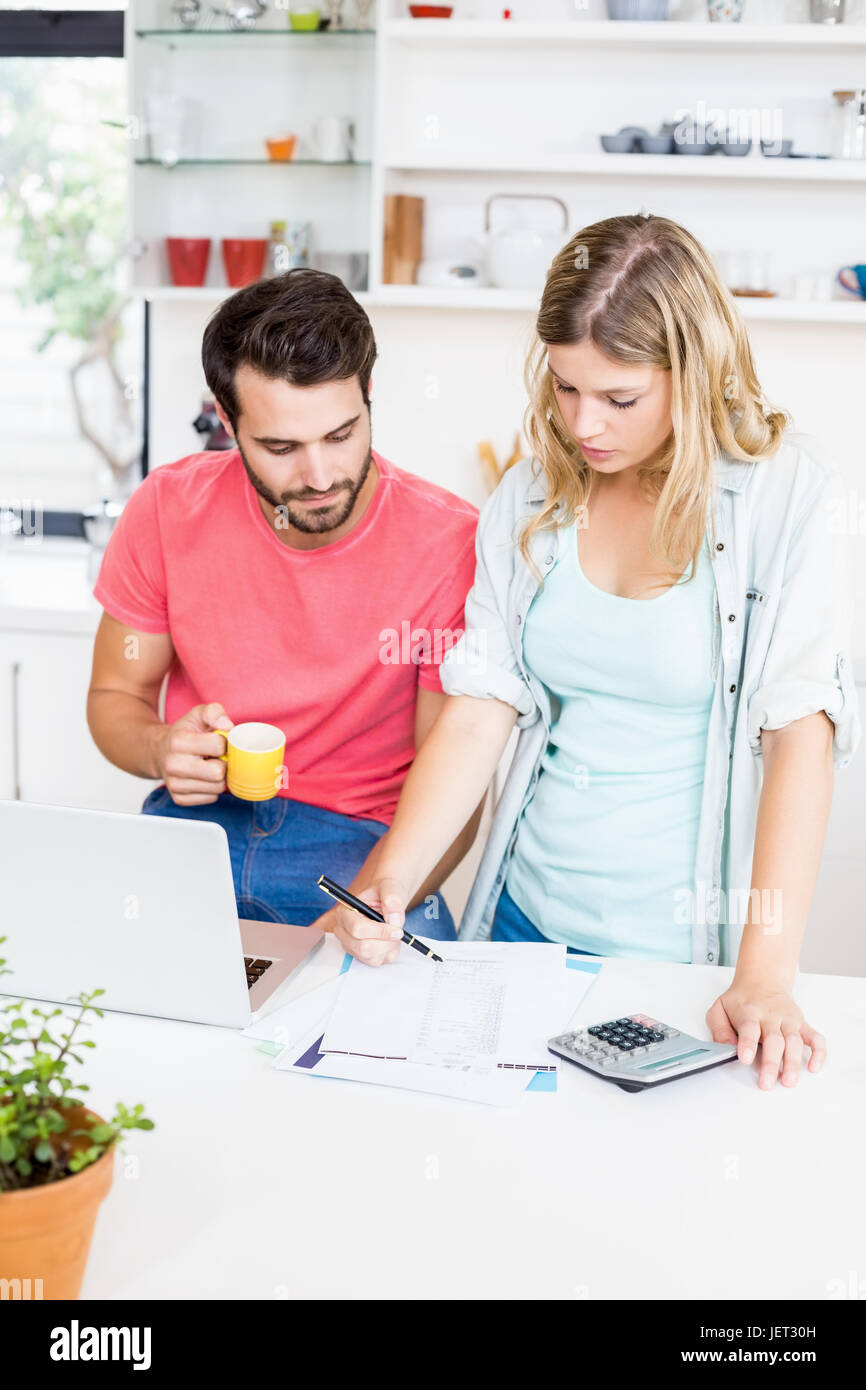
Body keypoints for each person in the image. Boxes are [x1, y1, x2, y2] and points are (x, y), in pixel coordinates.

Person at [330, 213, 861, 1090]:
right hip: (522, 928)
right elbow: (481, 707)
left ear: (694, 376)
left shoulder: (783, 496)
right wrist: (388, 879)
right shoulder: (535, 490)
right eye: (567, 388)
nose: (585, 423)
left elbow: (799, 731)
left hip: (682, 964)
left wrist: (765, 976)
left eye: (620, 398)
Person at [87, 269, 483, 939]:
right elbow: (114, 695)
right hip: (198, 834)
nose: (321, 477)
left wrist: (363, 913)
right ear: (225, 416)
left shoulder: (450, 542)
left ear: (368, 394)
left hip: (365, 852)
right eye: (280, 448)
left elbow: (458, 787)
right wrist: (161, 749)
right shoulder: (167, 508)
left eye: (341, 434)